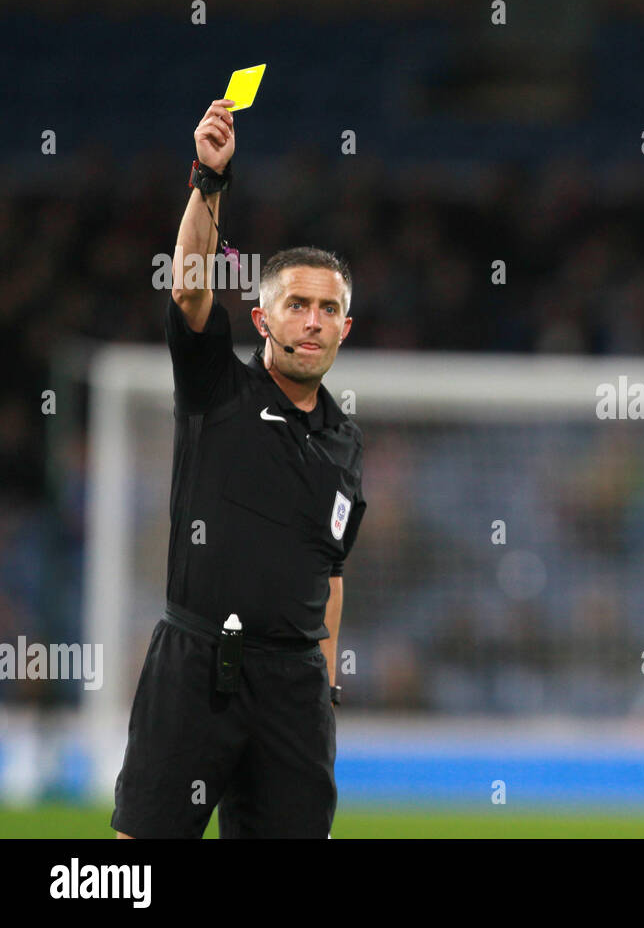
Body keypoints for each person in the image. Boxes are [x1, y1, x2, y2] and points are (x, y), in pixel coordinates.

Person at [111, 99, 367, 838]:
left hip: (294, 691)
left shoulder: (348, 443)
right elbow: (191, 285)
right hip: (196, 669)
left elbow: (334, 575)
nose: (311, 321)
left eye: (326, 309)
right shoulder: (216, 387)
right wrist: (210, 180)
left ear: (343, 329)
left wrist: (327, 684)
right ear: (263, 319)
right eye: (295, 305)